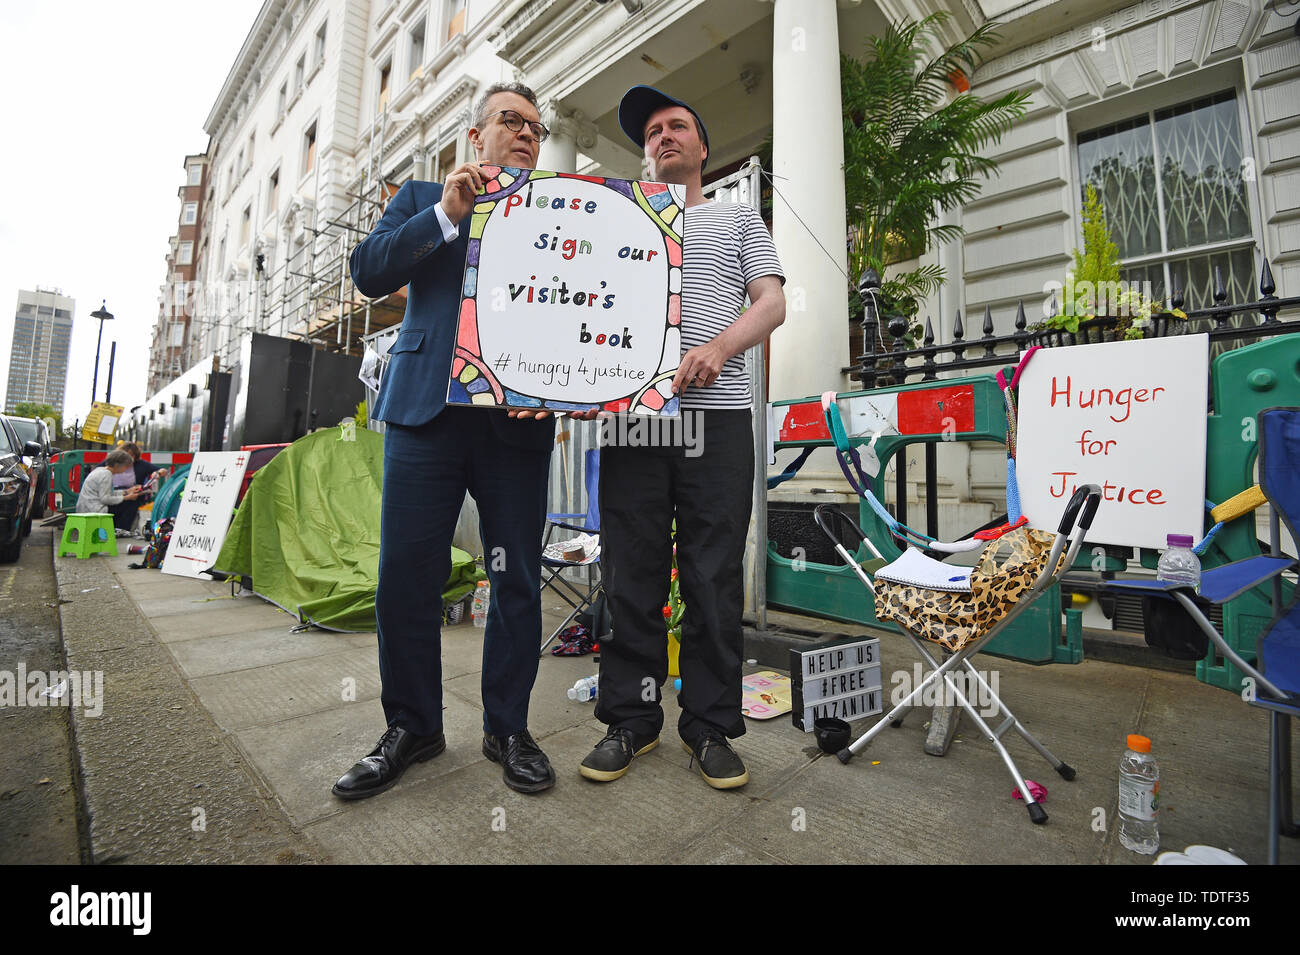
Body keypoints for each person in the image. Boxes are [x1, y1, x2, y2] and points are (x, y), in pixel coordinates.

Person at [335, 82, 568, 799]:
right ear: (476, 136)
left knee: (517, 580)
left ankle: (507, 726)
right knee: (406, 576)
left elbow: (577, 318)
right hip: (424, 413)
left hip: (513, 425)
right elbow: (370, 273)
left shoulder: (558, 215)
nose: (527, 134)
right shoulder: (419, 198)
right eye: (511, 121)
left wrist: (553, 389)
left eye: (536, 126)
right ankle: (413, 725)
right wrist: (444, 215)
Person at [579, 86, 786, 789]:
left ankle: (709, 727)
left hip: (717, 419)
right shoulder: (618, 224)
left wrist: (721, 349)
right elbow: (584, 314)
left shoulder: (735, 221)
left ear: (701, 147)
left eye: (677, 126)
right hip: (635, 418)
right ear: (647, 154)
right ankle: (631, 724)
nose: (664, 136)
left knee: (712, 578)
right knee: (632, 575)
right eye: (653, 132)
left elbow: (772, 302)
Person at [108, 442, 160, 534]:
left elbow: (158, 469)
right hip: (116, 493)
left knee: (132, 503)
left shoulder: (141, 465)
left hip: (133, 494)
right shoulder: (109, 467)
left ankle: (123, 529)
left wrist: (157, 473)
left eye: (132, 455)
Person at [77, 450, 143, 522]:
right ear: (117, 465)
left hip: (87, 506)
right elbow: (105, 499)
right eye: (126, 466)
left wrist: (127, 491)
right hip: (94, 509)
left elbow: (107, 493)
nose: (126, 469)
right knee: (131, 505)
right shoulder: (106, 475)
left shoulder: (100, 470)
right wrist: (126, 498)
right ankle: (121, 530)